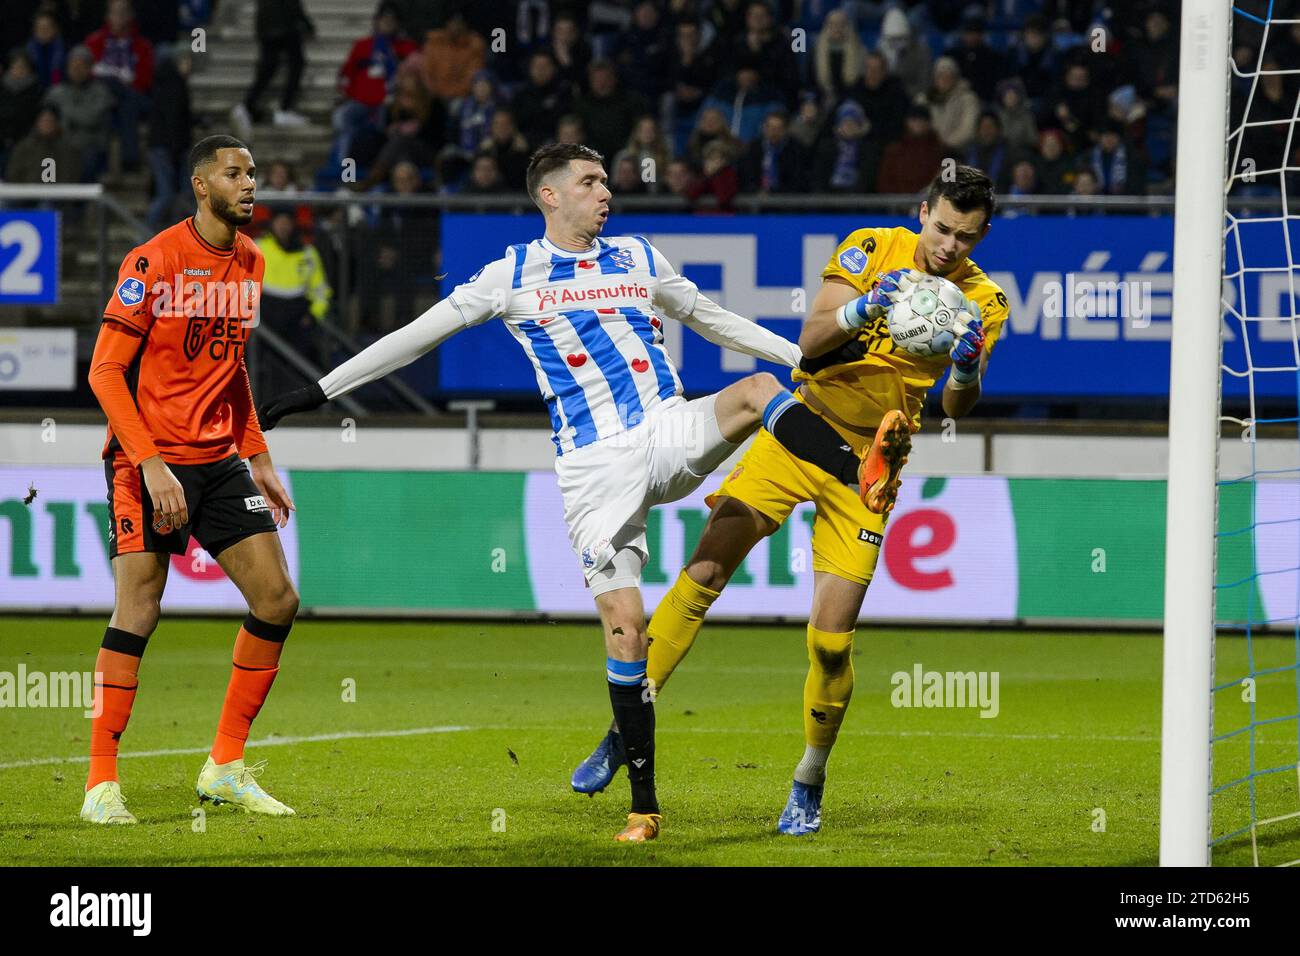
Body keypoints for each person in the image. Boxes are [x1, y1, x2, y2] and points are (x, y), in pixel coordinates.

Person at [255, 143, 911, 842]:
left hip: (666, 428)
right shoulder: (511, 273)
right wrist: (315, 392)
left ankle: (853, 468)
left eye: (606, 180)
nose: (607, 192)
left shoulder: (637, 257)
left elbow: (714, 319)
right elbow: (416, 338)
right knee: (627, 631)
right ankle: (644, 807)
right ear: (550, 195)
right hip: (593, 469)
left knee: (755, 391)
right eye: (591, 182)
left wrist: (802, 358)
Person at [568, 166, 1009, 836]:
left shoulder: (985, 302)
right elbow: (807, 342)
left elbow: (956, 406)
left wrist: (969, 366)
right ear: (924, 211)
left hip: (871, 466)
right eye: (942, 227)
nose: (949, 246)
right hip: (799, 430)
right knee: (706, 569)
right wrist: (865, 307)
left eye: (966, 238)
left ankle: (809, 777)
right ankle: (624, 730)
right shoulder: (871, 248)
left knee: (831, 644)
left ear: (981, 238)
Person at [81, 135, 299, 825]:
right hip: (146, 460)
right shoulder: (153, 260)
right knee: (139, 608)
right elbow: (105, 370)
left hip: (217, 460)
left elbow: (230, 365)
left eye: (254, 173)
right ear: (201, 186)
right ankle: (100, 785)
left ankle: (225, 767)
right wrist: (149, 464)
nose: (250, 184)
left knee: (277, 599)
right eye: (235, 174)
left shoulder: (252, 261)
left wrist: (257, 455)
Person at [255, 205, 332, 396]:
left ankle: (307, 407)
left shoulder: (307, 253)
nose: (283, 226)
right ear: (271, 224)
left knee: (305, 362)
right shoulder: (256, 247)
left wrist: (314, 316)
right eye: (279, 221)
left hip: (298, 317)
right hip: (264, 316)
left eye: (287, 222)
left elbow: (321, 292)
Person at [333, 2, 416, 164]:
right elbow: (346, 74)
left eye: (392, 20)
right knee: (343, 120)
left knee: (383, 130)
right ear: (376, 21)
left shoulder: (407, 48)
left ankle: (379, 173)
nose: (387, 23)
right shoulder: (362, 45)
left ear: (398, 23)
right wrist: (349, 95)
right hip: (362, 103)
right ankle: (345, 176)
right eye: (384, 19)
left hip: (390, 106)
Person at [84, 0, 154, 171]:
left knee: (128, 102)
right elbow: (86, 74)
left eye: (123, 13)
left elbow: (145, 81)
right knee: (115, 98)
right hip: (101, 96)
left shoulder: (142, 46)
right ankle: (129, 160)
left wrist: (124, 81)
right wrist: (118, 79)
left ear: (131, 16)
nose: (119, 18)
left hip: (136, 96)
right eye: (115, 13)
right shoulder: (94, 41)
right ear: (108, 16)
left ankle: (105, 165)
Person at [230, 0, 314, 134]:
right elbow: (292, 5)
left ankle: (247, 105)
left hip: (266, 25)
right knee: (296, 65)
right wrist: (308, 25)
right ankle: (284, 109)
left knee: (268, 68)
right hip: (286, 25)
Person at [43, 45, 115, 182]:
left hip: (88, 146)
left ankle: (78, 201)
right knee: (46, 160)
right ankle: (48, 196)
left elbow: (91, 119)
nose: (76, 70)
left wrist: (65, 111)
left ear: (90, 68)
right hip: (59, 145)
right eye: (73, 66)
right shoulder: (56, 92)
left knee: (85, 162)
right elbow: (46, 119)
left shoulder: (101, 92)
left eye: (81, 66)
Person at [145, 46, 194, 227]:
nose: (189, 66)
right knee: (167, 195)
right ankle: (143, 238)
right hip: (167, 147)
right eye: (185, 61)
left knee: (176, 195)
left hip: (164, 146)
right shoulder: (175, 85)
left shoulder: (164, 84)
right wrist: (175, 149)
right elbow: (172, 119)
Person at [5, 103, 81, 184]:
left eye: (50, 121)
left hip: (59, 194)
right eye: (44, 121)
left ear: (57, 123)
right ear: (37, 123)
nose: (47, 124)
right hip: (27, 194)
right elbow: (13, 175)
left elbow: (71, 177)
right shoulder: (24, 147)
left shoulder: (68, 150)